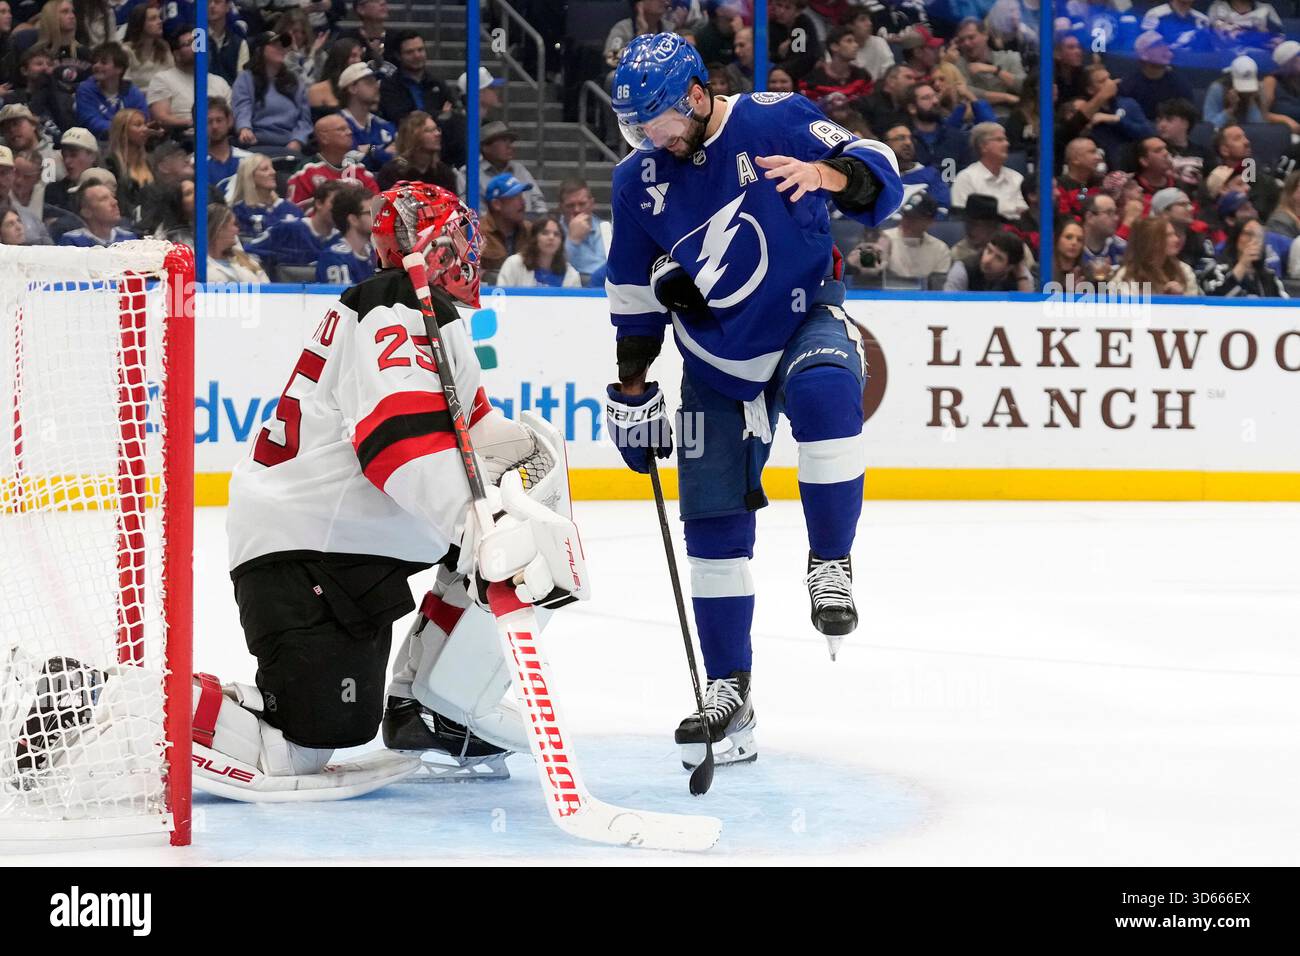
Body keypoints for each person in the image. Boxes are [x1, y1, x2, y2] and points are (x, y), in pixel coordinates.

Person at [195, 182, 589, 801]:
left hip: (344, 553)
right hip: (307, 556)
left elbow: (475, 436)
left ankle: (438, 707)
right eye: (459, 240)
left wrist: (527, 477)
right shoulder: (394, 306)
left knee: (524, 511)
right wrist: (479, 526)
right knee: (300, 745)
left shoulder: (427, 314)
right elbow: (396, 442)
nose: (474, 251)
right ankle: (108, 702)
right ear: (430, 247)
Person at [604, 34, 902, 767]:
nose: (650, 137)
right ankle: (729, 697)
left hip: (806, 314)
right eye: (637, 125)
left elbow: (882, 172)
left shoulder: (774, 117)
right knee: (710, 528)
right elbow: (634, 297)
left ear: (698, 96)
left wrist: (830, 177)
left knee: (829, 390)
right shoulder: (637, 178)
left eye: (659, 121)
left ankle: (830, 561)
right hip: (712, 357)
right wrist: (632, 391)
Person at [243, 177, 345, 275]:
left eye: (343, 204)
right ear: (319, 203)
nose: (340, 208)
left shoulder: (343, 241)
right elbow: (248, 252)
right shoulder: (287, 228)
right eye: (335, 202)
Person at [846, 191, 950, 286]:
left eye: (915, 218)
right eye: (906, 215)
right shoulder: (882, 240)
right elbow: (868, 277)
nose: (907, 221)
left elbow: (937, 287)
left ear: (930, 222)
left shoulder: (940, 249)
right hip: (887, 296)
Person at [231, 31, 312, 153]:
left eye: (283, 45)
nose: (281, 48)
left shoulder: (295, 81)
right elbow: (243, 107)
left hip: (289, 144)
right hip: (255, 142)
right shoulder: (246, 78)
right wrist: (244, 128)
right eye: (274, 45)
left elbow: (304, 118)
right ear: (260, 49)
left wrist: (298, 141)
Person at [147, 27, 230, 143]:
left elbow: (230, 117)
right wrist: (194, 123)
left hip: (219, 139)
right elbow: (161, 118)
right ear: (176, 54)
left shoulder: (220, 82)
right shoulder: (162, 79)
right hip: (182, 139)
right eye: (189, 43)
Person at [286, 111, 379, 207]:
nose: (350, 132)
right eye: (341, 129)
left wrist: (373, 149)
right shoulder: (306, 171)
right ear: (324, 137)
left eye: (349, 128)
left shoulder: (360, 170)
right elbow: (294, 210)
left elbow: (377, 207)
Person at [457, 121, 546, 217]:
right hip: (487, 230)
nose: (510, 146)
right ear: (486, 147)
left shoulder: (520, 169)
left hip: (525, 228)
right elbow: (471, 212)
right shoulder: (468, 173)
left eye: (510, 141)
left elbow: (538, 201)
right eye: (503, 141)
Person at [949, 16, 1024, 119]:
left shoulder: (1009, 58)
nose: (966, 43)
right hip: (978, 123)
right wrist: (1005, 97)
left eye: (971, 37)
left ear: (985, 35)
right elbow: (965, 91)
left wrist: (995, 70)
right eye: (962, 40)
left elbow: (1025, 86)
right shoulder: (958, 65)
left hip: (1013, 118)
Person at [74, 41, 148, 139]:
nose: (96, 66)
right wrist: (127, 129)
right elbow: (91, 122)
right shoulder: (85, 90)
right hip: (96, 145)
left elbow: (143, 118)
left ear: (119, 69)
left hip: (128, 142)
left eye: (103, 62)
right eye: (95, 62)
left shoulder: (132, 92)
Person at [951, 121, 1025, 218]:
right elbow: (963, 217)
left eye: (1006, 139)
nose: (1006, 144)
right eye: (999, 140)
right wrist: (1009, 210)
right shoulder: (966, 178)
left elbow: (1024, 213)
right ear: (983, 146)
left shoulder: (1016, 177)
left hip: (1017, 230)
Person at [1111, 216, 1199, 295]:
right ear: (1152, 242)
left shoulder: (1184, 270)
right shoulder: (1127, 275)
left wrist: (1180, 299)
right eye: (1168, 236)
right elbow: (1130, 310)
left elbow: (1195, 308)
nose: (1176, 239)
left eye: (1174, 234)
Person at [1201, 217, 1289, 296]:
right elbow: (1214, 301)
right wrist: (1243, 264)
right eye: (1248, 234)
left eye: (1260, 236)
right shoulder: (1217, 269)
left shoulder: (1269, 276)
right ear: (1236, 237)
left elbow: (1284, 307)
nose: (1254, 240)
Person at [1119, 31, 1194, 121]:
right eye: (1157, 45)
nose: (1165, 48)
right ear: (1143, 54)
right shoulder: (1128, 85)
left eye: (1164, 43)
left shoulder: (1179, 83)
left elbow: (1188, 116)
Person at [375, 110, 456, 192]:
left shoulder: (444, 174)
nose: (437, 134)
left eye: (437, 129)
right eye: (429, 130)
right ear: (413, 137)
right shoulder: (391, 173)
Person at [336, 61, 395, 171]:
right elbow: (347, 160)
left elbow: (399, 160)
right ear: (352, 88)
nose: (377, 87)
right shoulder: (337, 125)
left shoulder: (384, 125)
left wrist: (370, 149)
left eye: (376, 82)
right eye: (369, 82)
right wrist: (379, 152)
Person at [102, 106, 154, 224]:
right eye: (138, 125)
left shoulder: (150, 162)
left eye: (145, 124)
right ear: (122, 130)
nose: (145, 129)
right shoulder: (110, 163)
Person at [497, 215, 580, 288]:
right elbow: (501, 298)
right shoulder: (513, 264)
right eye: (545, 233)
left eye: (556, 234)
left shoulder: (571, 275)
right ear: (534, 238)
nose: (551, 237)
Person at [229, 152, 300, 237]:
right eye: (265, 169)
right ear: (250, 176)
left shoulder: (289, 208)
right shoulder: (239, 211)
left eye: (272, 168)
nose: (273, 172)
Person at [316, 185, 375, 284]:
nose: (378, 217)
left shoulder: (374, 253)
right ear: (353, 220)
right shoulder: (334, 257)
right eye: (370, 213)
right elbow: (347, 298)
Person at [477, 172, 532, 274]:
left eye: (522, 196)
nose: (523, 202)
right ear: (496, 204)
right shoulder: (476, 234)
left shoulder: (530, 231)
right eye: (515, 197)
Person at [883, 124, 950, 208]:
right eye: (900, 138)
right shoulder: (877, 175)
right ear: (885, 144)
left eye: (911, 138)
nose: (908, 142)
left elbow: (941, 210)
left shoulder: (931, 175)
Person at [800, 26, 872, 103]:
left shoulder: (863, 76)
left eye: (855, 41)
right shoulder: (812, 81)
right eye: (849, 41)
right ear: (834, 47)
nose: (856, 45)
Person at [557, 178, 609, 283]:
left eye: (582, 204)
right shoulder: (553, 232)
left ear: (592, 203)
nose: (577, 210)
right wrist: (572, 240)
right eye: (570, 206)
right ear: (561, 207)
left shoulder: (608, 229)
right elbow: (554, 271)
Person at [207, 200, 272, 283]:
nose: (237, 230)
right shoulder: (196, 264)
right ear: (219, 228)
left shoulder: (244, 258)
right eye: (234, 224)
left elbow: (267, 286)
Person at [56, 180, 137, 246]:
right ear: (86, 212)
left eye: (113, 197)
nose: (114, 202)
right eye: (104, 199)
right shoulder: (72, 241)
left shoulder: (129, 239)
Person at [943, 230, 1030, 290]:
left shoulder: (1021, 274)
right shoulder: (962, 269)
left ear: (1009, 267)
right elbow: (948, 307)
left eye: (999, 258)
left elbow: (1028, 309)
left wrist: (1022, 278)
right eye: (989, 250)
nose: (988, 260)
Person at [767, 0, 822, 83]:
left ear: (797, 12)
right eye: (779, 5)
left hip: (802, 76)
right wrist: (778, 55)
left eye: (787, 8)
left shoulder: (803, 24)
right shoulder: (771, 26)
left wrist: (782, 67)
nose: (781, 11)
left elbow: (801, 58)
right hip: (775, 75)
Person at [43, 124, 95, 210]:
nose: (67, 161)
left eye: (73, 155)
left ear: (91, 156)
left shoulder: (109, 186)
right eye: (64, 155)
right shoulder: (53, 192)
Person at [1204, 56, 1266, 129]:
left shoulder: (1257, 89)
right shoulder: (1217, 89)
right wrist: (1231, 109)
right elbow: (1208, 127)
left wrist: (1251, 101)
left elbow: (1259, 127)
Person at [206, 97, 250, 197]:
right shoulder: (193, 164)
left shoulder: (249, 159)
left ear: (229, 121)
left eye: (219, 120)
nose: (215, 126)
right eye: (208, 122)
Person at [307, 37, 360, 119]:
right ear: (340, 58)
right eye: (353, 56)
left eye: (360, 56)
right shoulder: (317, 90)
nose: (358, 60)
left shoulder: (361, 89)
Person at [121, 2, 169, 91]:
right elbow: (124, 88)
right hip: (138, 102)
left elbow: (172, 78)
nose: (160, 21)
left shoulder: (164, 47)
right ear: (140, 23)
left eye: (159, 17)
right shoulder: (126, 51)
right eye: (153, 19)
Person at [1079, 192, 1126, 280]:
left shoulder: (1121, 248)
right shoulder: (1073, 248)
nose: (1116, 218)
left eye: (1115, 212)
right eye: (1109, 213)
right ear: (1089, 217)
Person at [1262, 40, 1300, 133]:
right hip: (1287, 134)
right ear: (1290, 61)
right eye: (1298, 56)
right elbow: (1261, 114)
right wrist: (1283, 119)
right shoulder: (1271, 81)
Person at [1052, 217, 1088, 288]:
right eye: (1068, 237)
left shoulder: (1087, 273)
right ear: (1057, 240)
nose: (1074, 243)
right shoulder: (1041, 271)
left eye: (1079, 240)